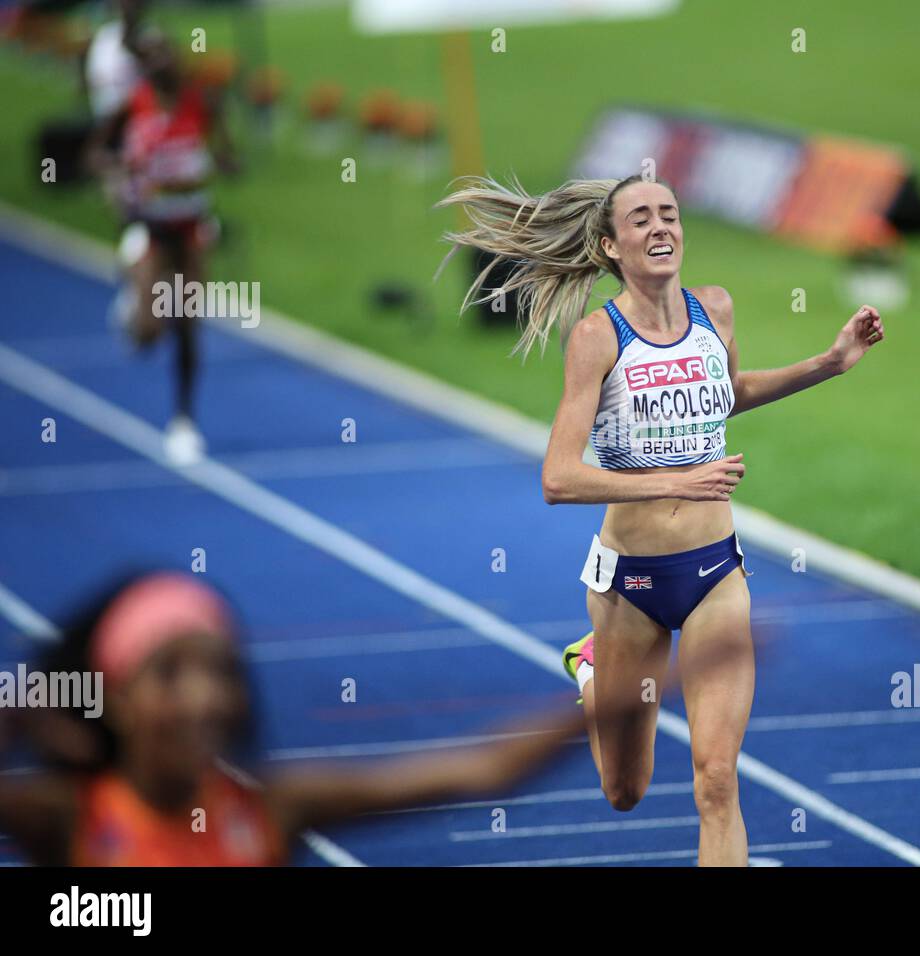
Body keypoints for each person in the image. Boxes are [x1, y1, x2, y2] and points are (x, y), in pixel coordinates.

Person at [436, 174, 884, 866]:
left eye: (668, 214)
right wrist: (677, 479)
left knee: (716, 780)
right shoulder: (596, 336)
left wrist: (830, 362)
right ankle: (590, 670)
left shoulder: (716, 310)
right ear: (612, 245)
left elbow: (724, 395)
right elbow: (558, 478)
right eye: (640, 219)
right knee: (625, 789)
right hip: (628, 588)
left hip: (714, 573)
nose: (659, 227)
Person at [0, 571, 699, 866]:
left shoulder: (268, 808)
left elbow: (481, 768)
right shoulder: (70, 817)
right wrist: (32, 712)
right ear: (115, 695)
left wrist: (635, 683)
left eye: (221, 670)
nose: (205, 697)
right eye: (171, 674)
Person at [86, 34, 238, 466]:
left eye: (167, 57)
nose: (162, 67)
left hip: (190, 229)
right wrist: (117, 174)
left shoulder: (201, 104)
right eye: (152, 61)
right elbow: (95, 151)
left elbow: (226, 153)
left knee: (188, 323)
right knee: (149, 335)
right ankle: (133, 300)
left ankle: (184, 421)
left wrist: (223, 163)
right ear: (146, 69)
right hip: (150, 229)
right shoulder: (134, 104)